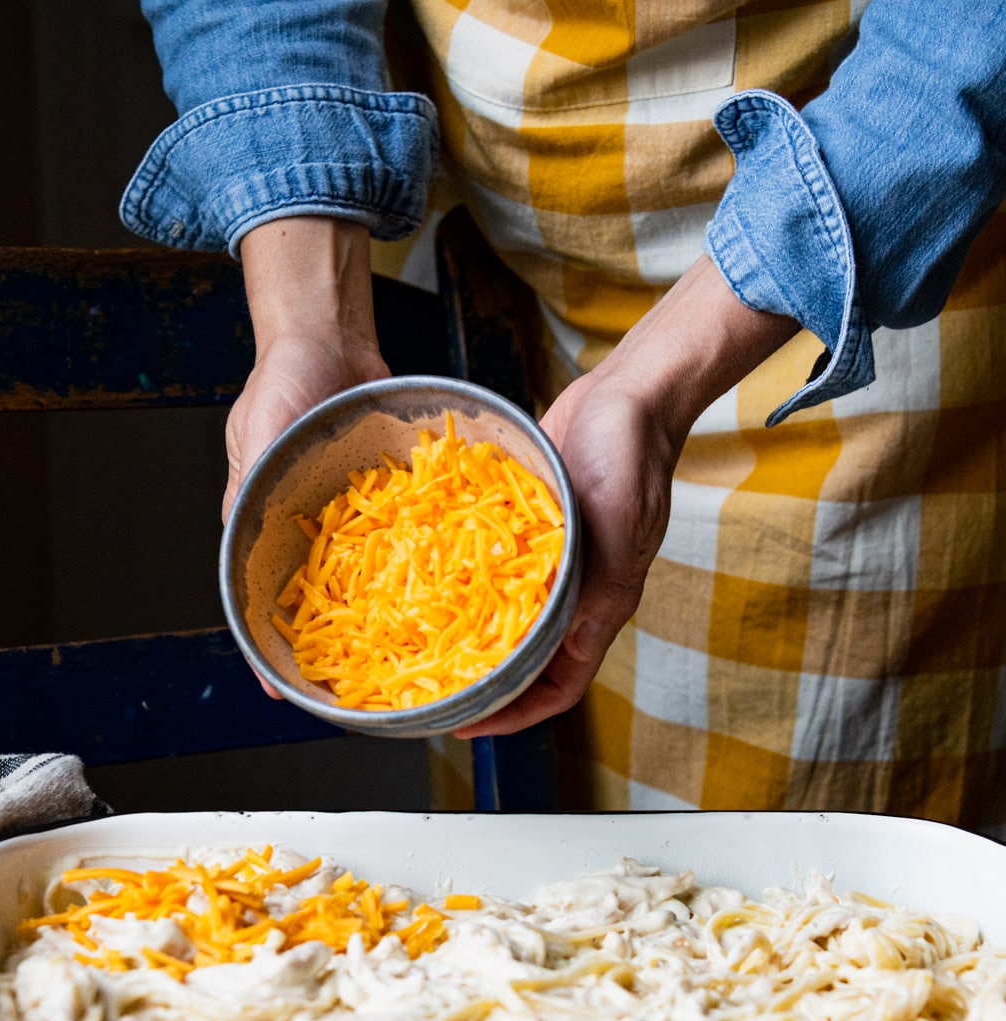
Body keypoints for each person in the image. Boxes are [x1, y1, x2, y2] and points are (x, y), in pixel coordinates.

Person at [120, 1, 1006, 831]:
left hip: (864, 284)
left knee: (798, 906)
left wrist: (651, 387)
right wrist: (309, 322)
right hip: (528, 300)